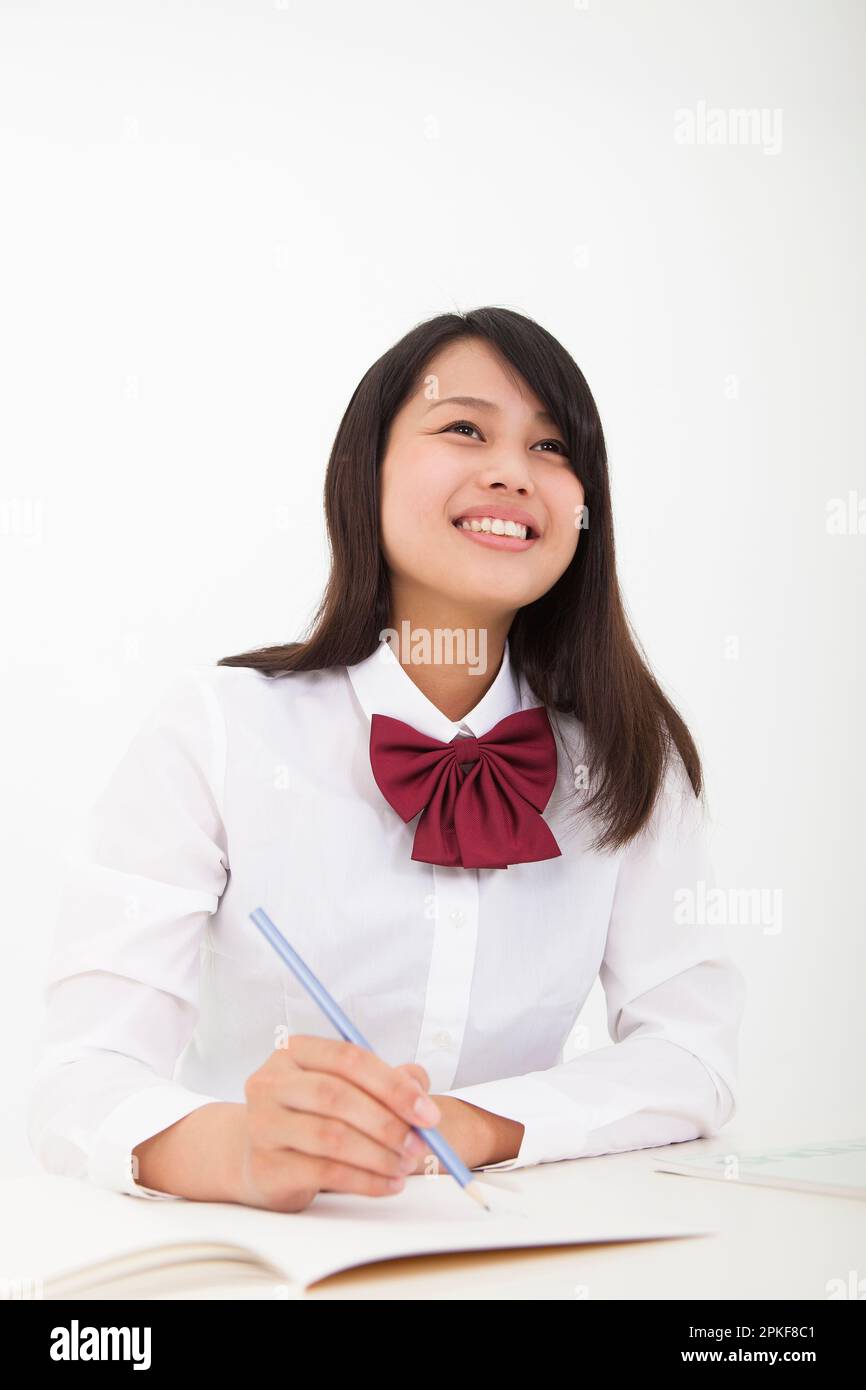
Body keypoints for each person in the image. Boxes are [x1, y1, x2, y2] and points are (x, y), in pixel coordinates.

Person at [26, 306, 746, 1211]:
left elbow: (691, 1055)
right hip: (272, 1259)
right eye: (464, 428)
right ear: (362, 475)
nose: (511, 472)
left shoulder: (630, 760)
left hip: (526, 1259)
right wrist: (239, 1150)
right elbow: (81, 1073)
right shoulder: (214, 730)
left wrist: (468, 1123)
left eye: (554, 448)